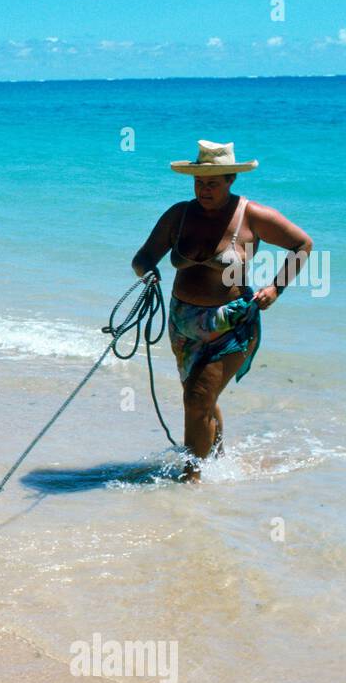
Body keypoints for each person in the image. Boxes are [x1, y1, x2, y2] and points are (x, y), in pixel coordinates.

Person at [131, 140, 312, 481]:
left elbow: (303, 245)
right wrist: (149, 275)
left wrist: (276, 288)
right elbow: (142, 259)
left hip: (232, 324)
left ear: (231, 179)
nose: (204, 189)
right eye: (199, 182)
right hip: (182, 322)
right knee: (200, 397)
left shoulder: (252, 216)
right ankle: (217, 460)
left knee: (197, 398)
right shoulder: (179, 215)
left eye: (213, 182)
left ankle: (190, 481)